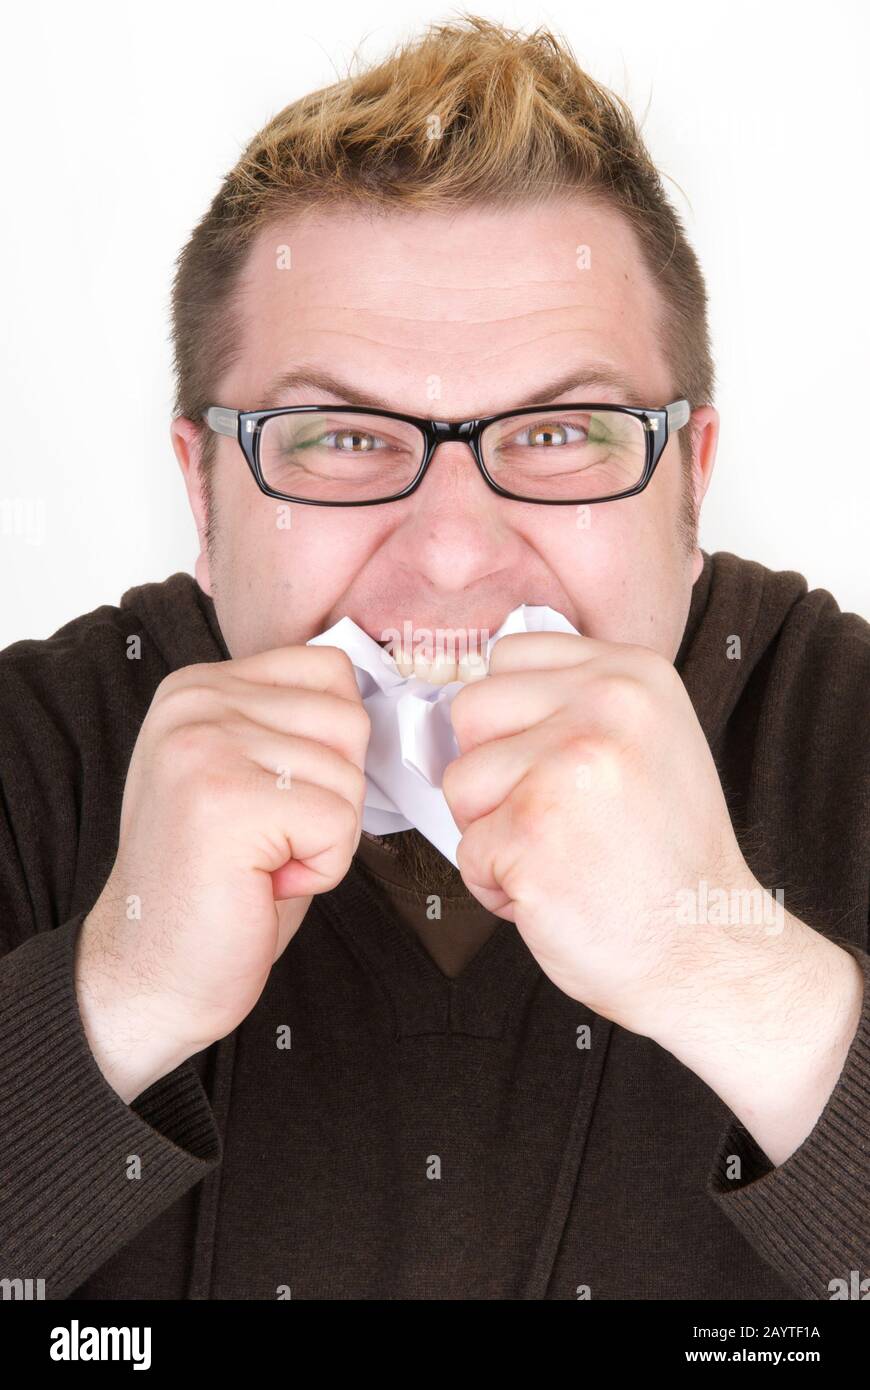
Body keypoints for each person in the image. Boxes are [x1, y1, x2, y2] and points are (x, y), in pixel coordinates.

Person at [1, 14, 867, 1302]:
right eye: (342, 439)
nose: (456, 555)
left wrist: (735, 977)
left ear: (689, 480)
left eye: (563, 430)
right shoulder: (32, 759)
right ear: (204, 493)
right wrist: (111, 996)